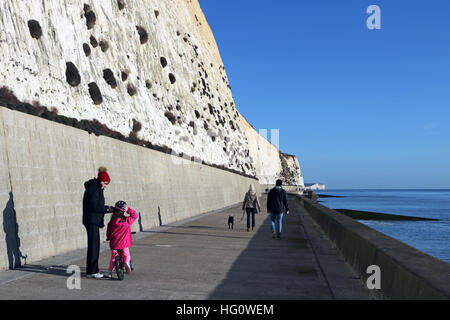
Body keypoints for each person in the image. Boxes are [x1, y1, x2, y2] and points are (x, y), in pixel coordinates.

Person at [82, 167, 113, 279]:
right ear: (101, 181)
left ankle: (92, 270)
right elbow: (95, 206)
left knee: (94, 246)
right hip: (91, 221)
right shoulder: (94, 189)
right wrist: (108, 209)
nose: (106, 186)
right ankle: (92, 271)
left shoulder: (96, 188)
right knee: (94, 247)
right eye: (105, 183)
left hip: (92, 220)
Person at [106, 200, 138, 278]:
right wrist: (128, 209)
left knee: (114, 257)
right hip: (124, 242)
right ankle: (127, 263)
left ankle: (110, 272)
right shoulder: (126, 221)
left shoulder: (112, 222)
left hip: (114, 242)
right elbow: (135, 215)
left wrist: (108, 237)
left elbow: (109, 231)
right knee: (126, 255)